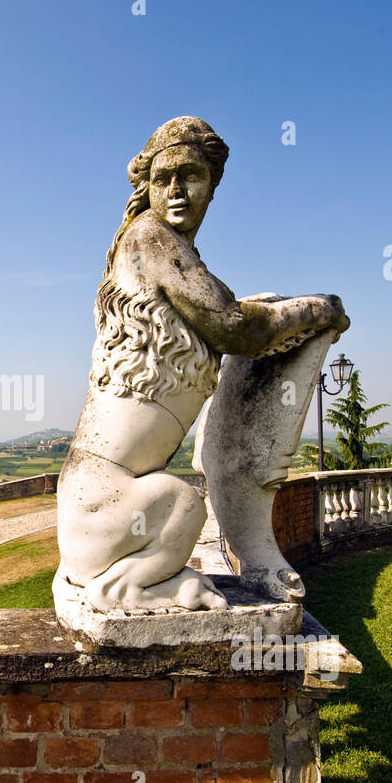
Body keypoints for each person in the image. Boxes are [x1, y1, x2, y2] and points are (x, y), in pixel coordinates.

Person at [55, 117, 349, 613]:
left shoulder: (169, 249)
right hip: (104, 501)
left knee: (177, 499)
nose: (176, 191)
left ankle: (123, 575)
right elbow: (236, 327)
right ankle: (128, 586)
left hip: (93, 504)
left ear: (212, 185)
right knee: (184, 502)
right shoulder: (150, 238)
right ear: (145, 187)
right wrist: (320, 308)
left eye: (190, 176)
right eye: (162, 178)